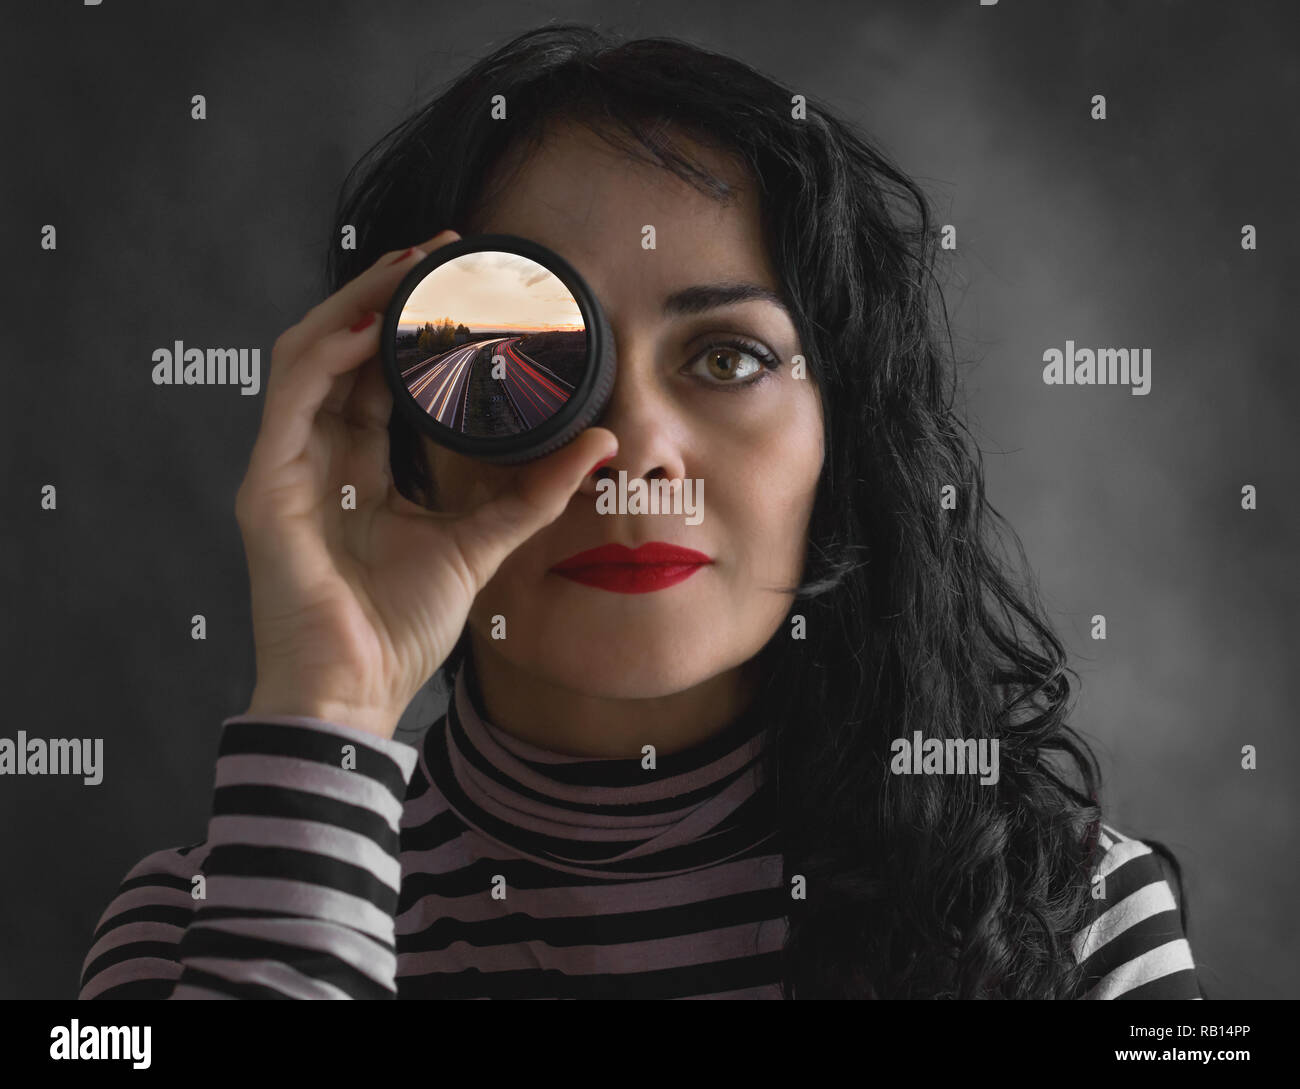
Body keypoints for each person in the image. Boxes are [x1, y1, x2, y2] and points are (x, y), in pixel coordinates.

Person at [78, 23, 1202, 1000]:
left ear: (840, 437)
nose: (631, 451)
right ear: (399, 421)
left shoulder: (1064, 920)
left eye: (725, 355)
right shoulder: (205, 924)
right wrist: (326, 693)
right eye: (524, 359)